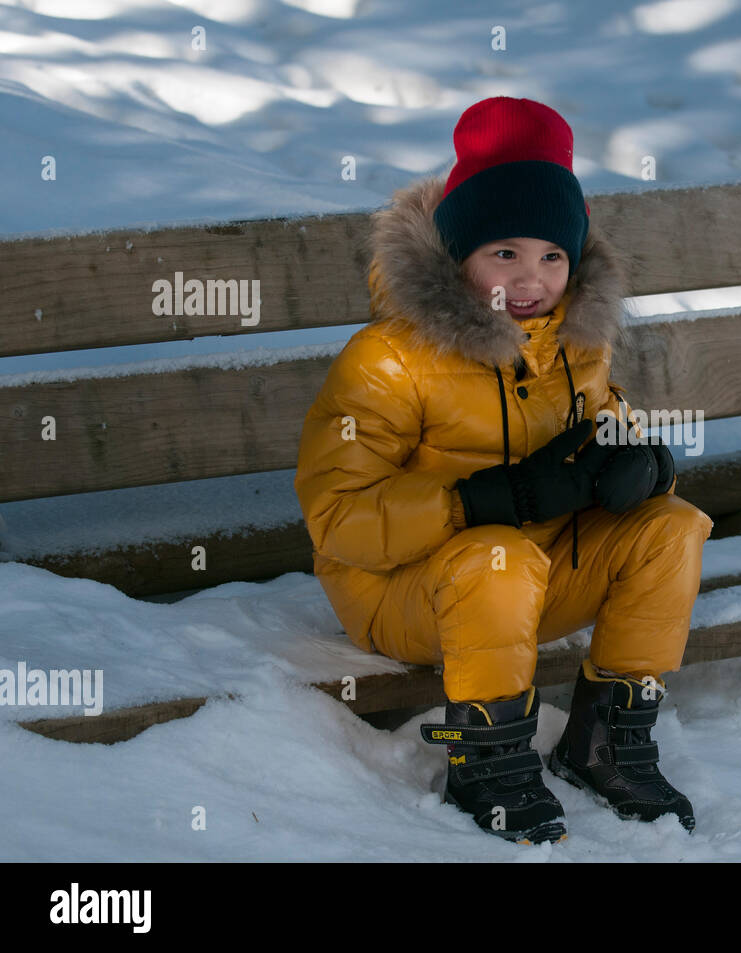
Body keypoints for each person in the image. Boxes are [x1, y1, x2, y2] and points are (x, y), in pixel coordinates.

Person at [293, 96, 714, 845]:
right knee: (499, 553)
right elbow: (337, 519)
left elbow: (610, 427)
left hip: (531, 577)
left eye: (553, 256)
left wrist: (641, 465)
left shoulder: (572, 342)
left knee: (671, 528)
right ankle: (486, 762)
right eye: (505, 253)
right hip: (401, 589)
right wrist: (486, 498)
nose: (532, 279)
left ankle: (605, 743)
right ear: (459, 255)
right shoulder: (390, 359)